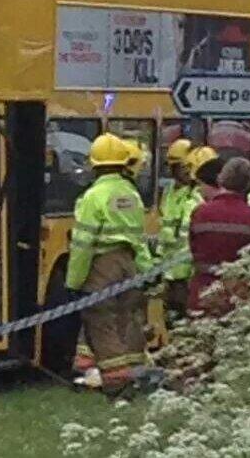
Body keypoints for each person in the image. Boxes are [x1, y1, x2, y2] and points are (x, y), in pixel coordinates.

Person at [66, 133, 153, 394]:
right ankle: (137, 376)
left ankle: (118, 385)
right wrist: (146, 272)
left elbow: (82, 245)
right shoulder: (131, 194)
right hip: (130, 265)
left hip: (103, 266)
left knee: (101, 322)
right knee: (126, 320)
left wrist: (74, 282)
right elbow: (139, 239)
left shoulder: (94, 196)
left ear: (94, 165)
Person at [188, 157, 250, 317]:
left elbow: (193, 247)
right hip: (237, 296)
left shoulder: (200, 213)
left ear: (221, 179)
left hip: (202, 291)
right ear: (247, 184)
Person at [157, 140, 202, 317]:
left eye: (184, 167)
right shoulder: (168, 192)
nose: (180, 172)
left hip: (187, 273)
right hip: (169, 271)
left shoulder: (195, 195)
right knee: (171, 318)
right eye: (176, 167)